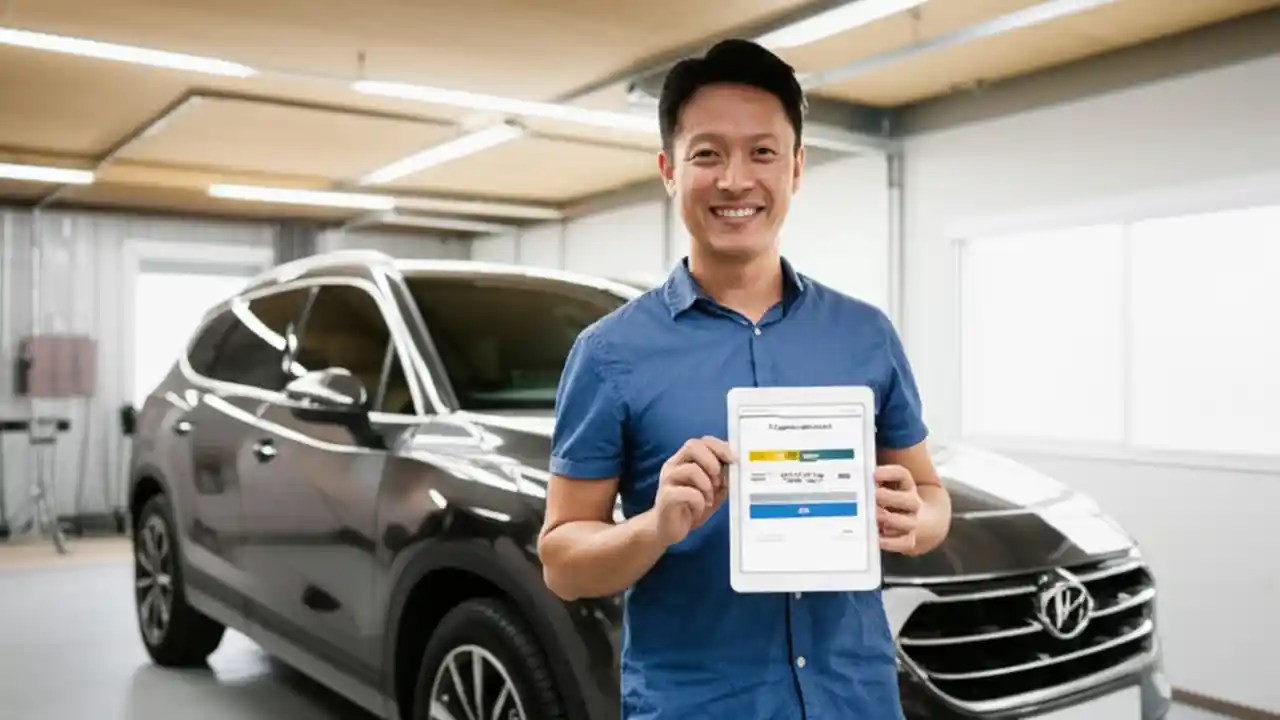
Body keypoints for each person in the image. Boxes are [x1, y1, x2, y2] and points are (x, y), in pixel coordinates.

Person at [537, 38, 951, 720]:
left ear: (796, 168)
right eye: (707, 154)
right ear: (670, 170)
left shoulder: (865, 334)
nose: (735, 180)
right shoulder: (610, 352)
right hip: (699, 704)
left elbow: (930, 497)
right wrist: (654, 528)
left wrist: (918, 518)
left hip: (855, 698)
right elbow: (563, 560)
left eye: (762, 152)